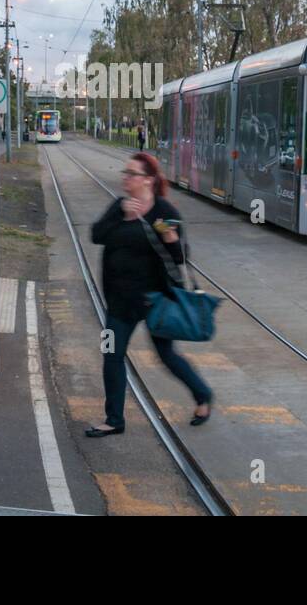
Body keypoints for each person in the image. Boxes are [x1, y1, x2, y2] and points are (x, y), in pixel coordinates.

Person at [86, 152, 213, 437]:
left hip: (156, 301)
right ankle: (114, 420)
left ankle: (203, 395)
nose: (126, 178)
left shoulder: (164, 212)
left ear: (148, 180)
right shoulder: (119, 207)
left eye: (132, 174)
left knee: (166, 355)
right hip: (119, 301)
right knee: (112, 356)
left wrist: (172, 240)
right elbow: (97, 235)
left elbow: (182, 256)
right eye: (125, 173)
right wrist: (123, 217)